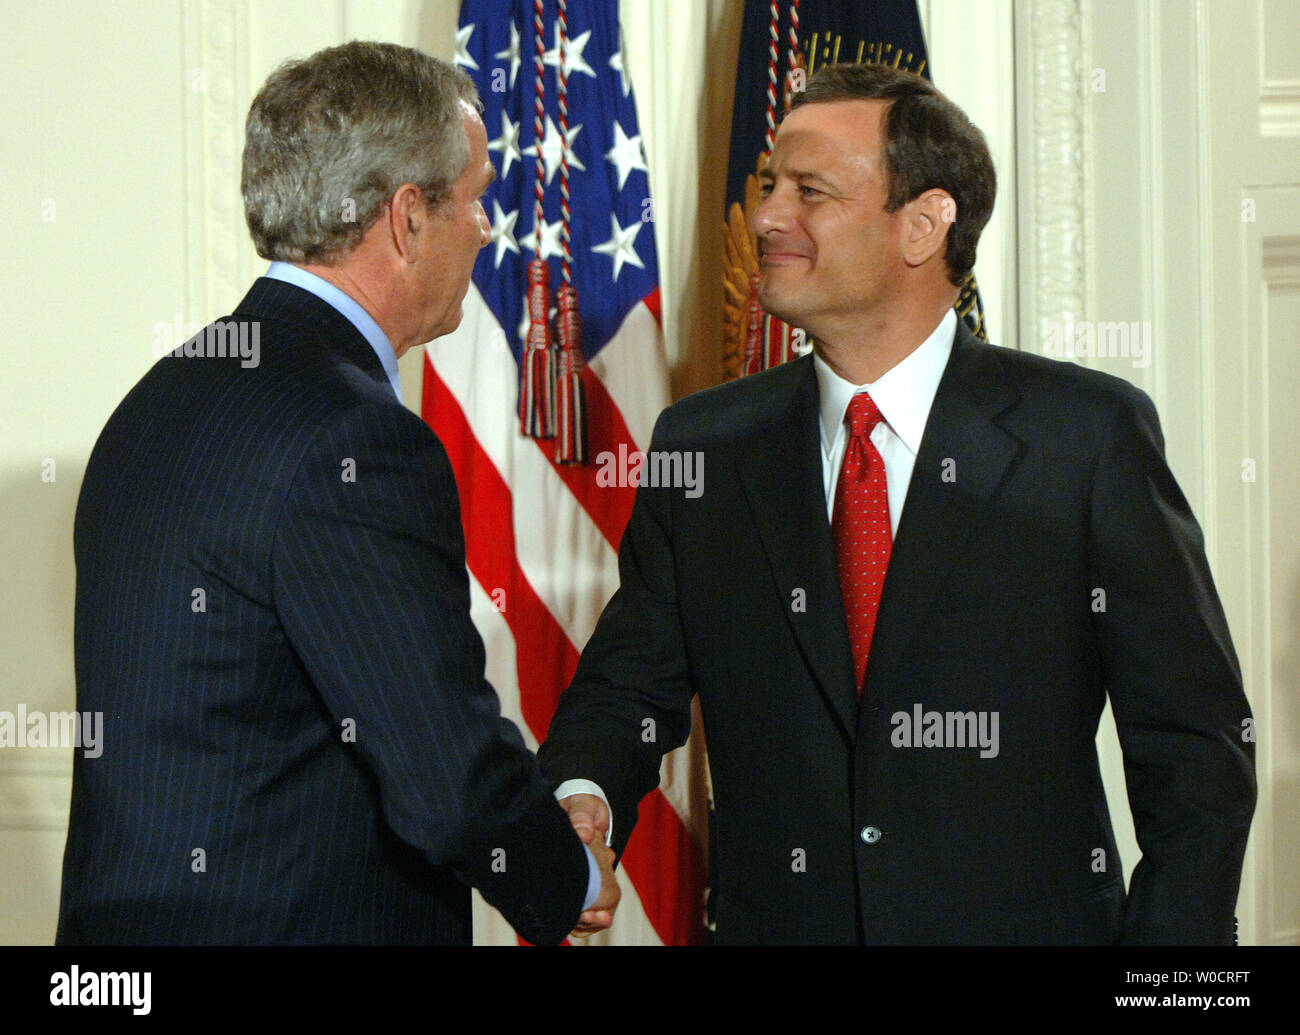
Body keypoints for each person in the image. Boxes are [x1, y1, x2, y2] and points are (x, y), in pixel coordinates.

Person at [539, 62, 1255, 945]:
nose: (765, 217)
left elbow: (1196, 755)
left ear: (923, 225)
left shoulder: (1086, 437)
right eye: (770, 187)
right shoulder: (704, 449)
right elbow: (624, 690)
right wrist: (583, 803)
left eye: (810, 190)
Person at [57, 41, 617, 945]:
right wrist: (569, 872)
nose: (485, 228)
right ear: (406, 218)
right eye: (473, 198)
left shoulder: (157, 397)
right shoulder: (357, 437)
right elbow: (445, 780)